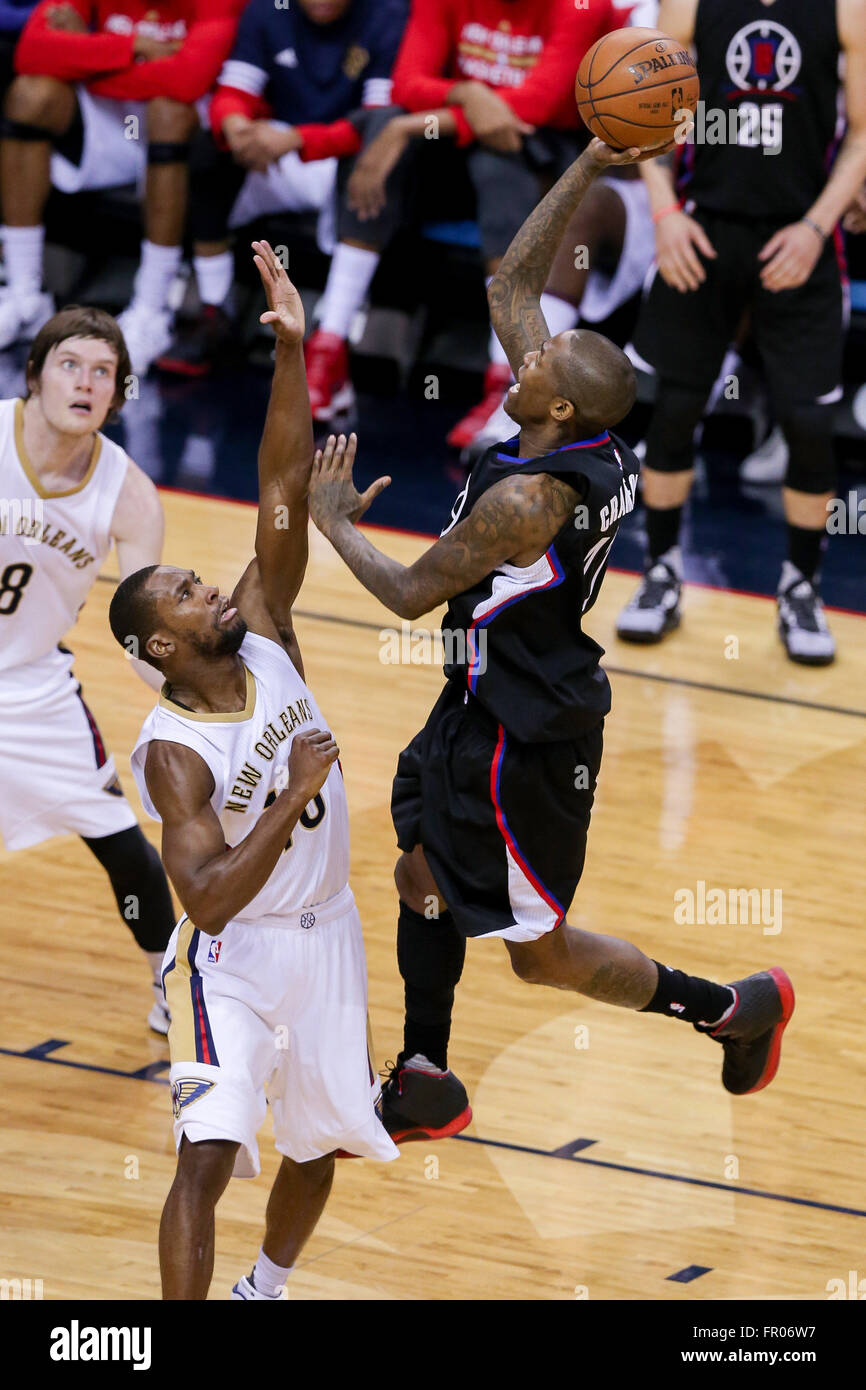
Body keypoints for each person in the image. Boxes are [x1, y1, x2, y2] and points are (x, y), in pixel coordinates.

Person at [307, 137, 795, 1144]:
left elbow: (405, 592)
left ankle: (730, 1007)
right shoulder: (573, 428)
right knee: (419, 874)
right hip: (481, 699)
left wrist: (332, 521)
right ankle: (425, 1070)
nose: (521, 356)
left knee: (539, 952)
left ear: (558, 405)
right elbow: (511, 278)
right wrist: (593, 156)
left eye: (535, 364)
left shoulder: (529, 496)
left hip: (526, 732)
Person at [113, 242, 397, 1302]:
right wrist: (291, 790)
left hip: (330, 933)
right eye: (186, 594)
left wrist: (289, 351)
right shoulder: (172, 750)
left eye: (199, 580)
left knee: (319, 1140)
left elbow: (280, 489)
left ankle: (262, 1290)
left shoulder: (266, 629)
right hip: (231, 954)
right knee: (203, 1157)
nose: (210, 591)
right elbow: (207, 891)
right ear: (159, 648)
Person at [616, 0, 866, 665]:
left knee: (809, 422)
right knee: (673, 406)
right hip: (703, 227)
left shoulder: (846, 8)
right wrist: (666, 211)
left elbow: (864, 135)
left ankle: (801, 587)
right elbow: (646, 110)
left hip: (801, 232)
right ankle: (661, 572)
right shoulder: (690, 3)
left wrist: (818, 228)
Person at [0, 304, 174, 1031]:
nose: (87, 382)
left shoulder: (129, 496)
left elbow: (146, 635)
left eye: (104, 373)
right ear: (36, 375)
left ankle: (176, 979)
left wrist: (203, 701)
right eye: (71, 365)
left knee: (113, 830)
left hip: (30, 686)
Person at [156, 0, 409, 390]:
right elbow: (233, 91)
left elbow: (382, 120)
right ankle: (214, 310)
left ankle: (330, 341)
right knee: (210, 148)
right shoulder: (267, 10)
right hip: (274, 153)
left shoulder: (388, 14)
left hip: (339, 153)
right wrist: (236, 126)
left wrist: (299, 139)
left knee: (378, 166)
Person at [0, 0, 242, 373]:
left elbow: (187, 80)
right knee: (30, 95)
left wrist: (86, 56)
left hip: (180, 124)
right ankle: (24, 295)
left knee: (168, 110)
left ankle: (152, 310)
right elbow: (31, 54)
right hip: (109, 117)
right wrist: (134, 48)